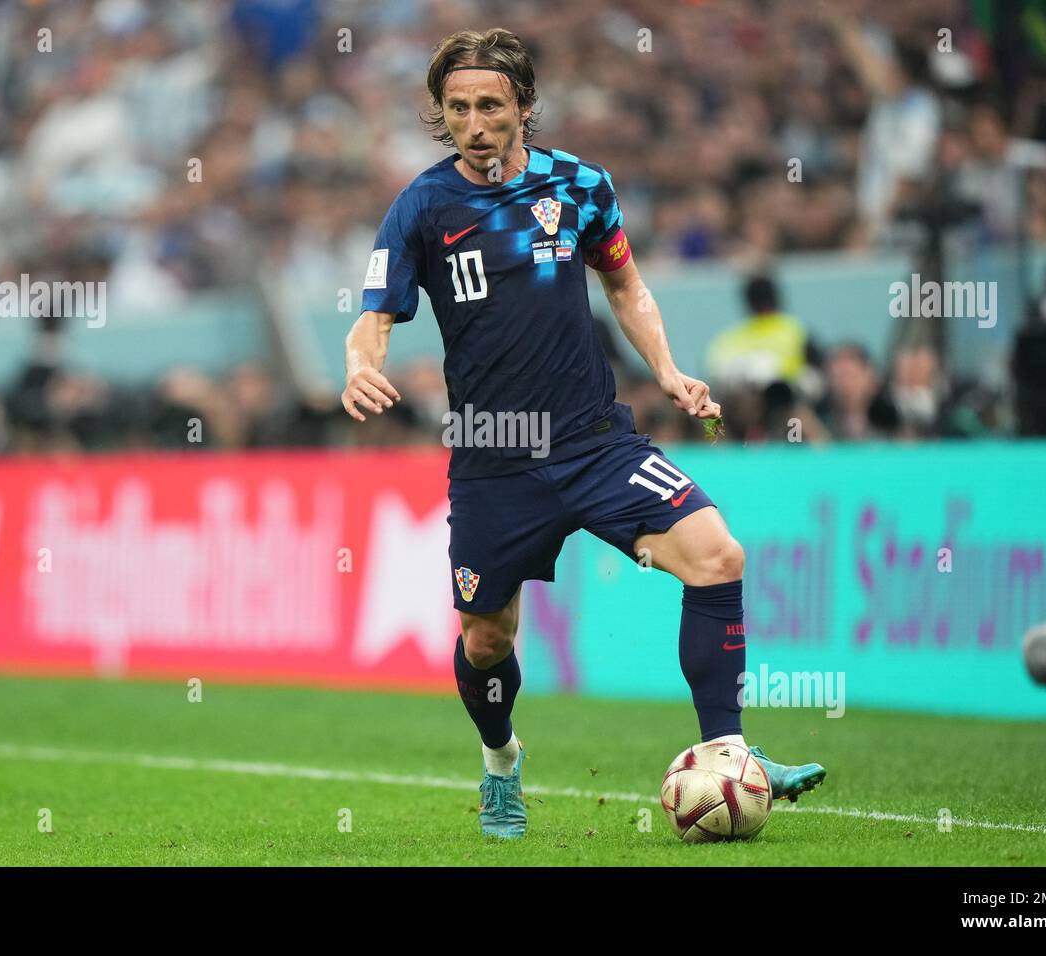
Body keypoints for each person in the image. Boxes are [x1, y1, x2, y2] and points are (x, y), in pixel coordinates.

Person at [341, 28, 825, 839]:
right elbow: (373, 320)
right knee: (488, 639)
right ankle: (501, 762)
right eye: (457, 109)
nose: (475, 124)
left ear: (524, 105)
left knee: (718, 558)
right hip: (494, 459)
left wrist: (668, 371)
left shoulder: (579, 186)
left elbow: (627, 285)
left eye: (490, 105)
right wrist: (360, 364)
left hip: (596, 443)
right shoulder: (422, 207)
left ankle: (730, 749)